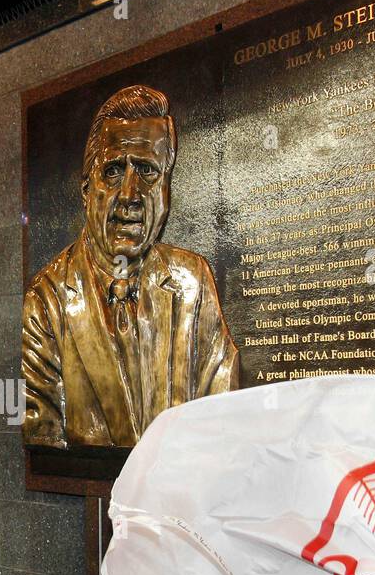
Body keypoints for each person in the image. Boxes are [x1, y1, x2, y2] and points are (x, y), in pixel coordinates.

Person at [21, 84, 238, 449]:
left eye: (148, 171)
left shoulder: (193, 282)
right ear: (87, 189)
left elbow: (223, 410)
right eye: (113, 172)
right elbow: (41, 432)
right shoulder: (47, 299)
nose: (129, 195)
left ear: (166, 190)